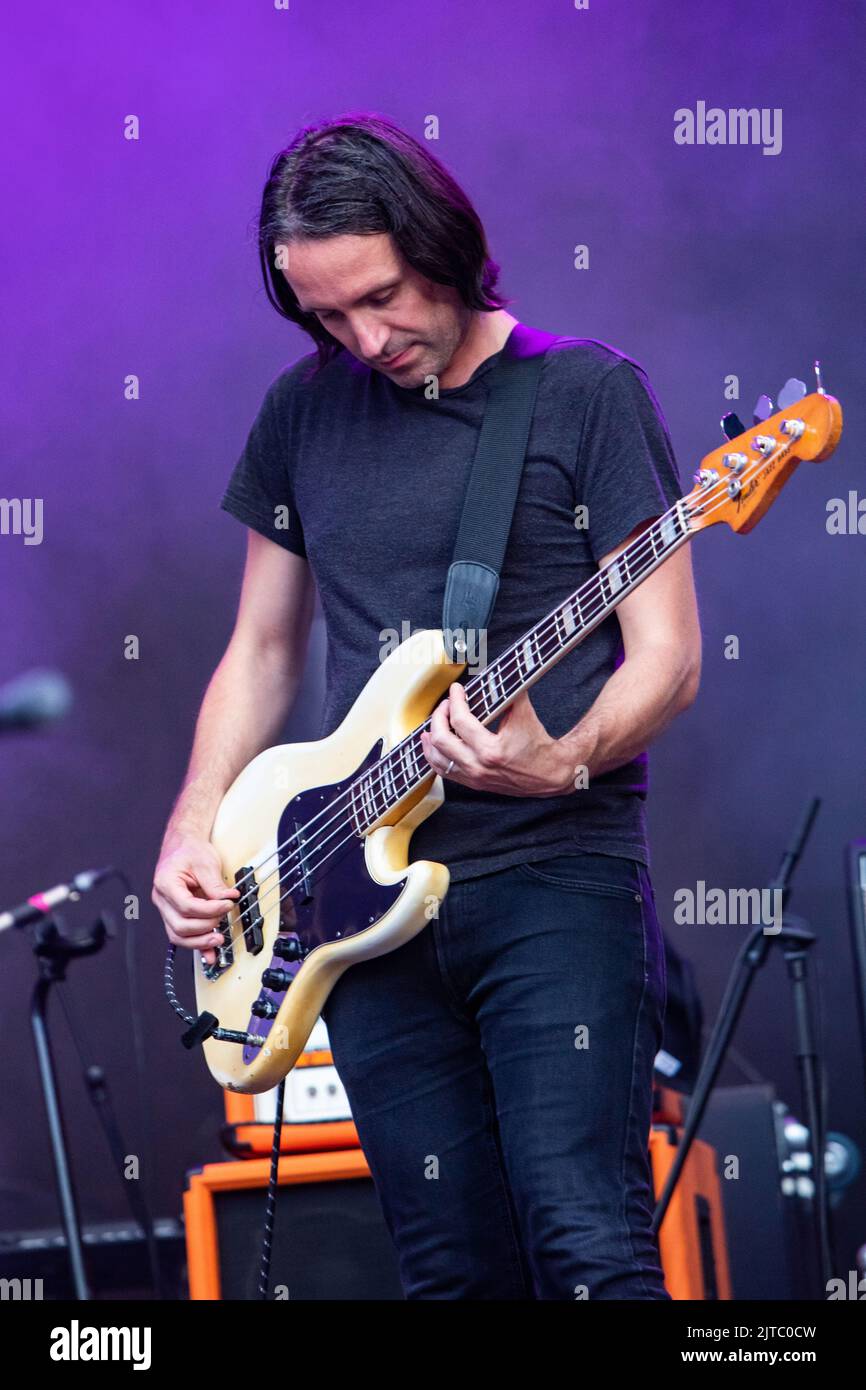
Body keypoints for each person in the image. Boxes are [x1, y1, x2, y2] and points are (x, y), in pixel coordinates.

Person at [152, 113, 702, 1300]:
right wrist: (193, 830)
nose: (366, 336)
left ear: (440, 239)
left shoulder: (584, 395)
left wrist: (561, 757)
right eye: (328, 317)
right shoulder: (303, 414)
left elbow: (666, 654)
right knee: (449, 1275)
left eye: (383, 297)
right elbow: (258, 650)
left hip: (551, 878)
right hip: (353, 907)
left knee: (587, 1247)